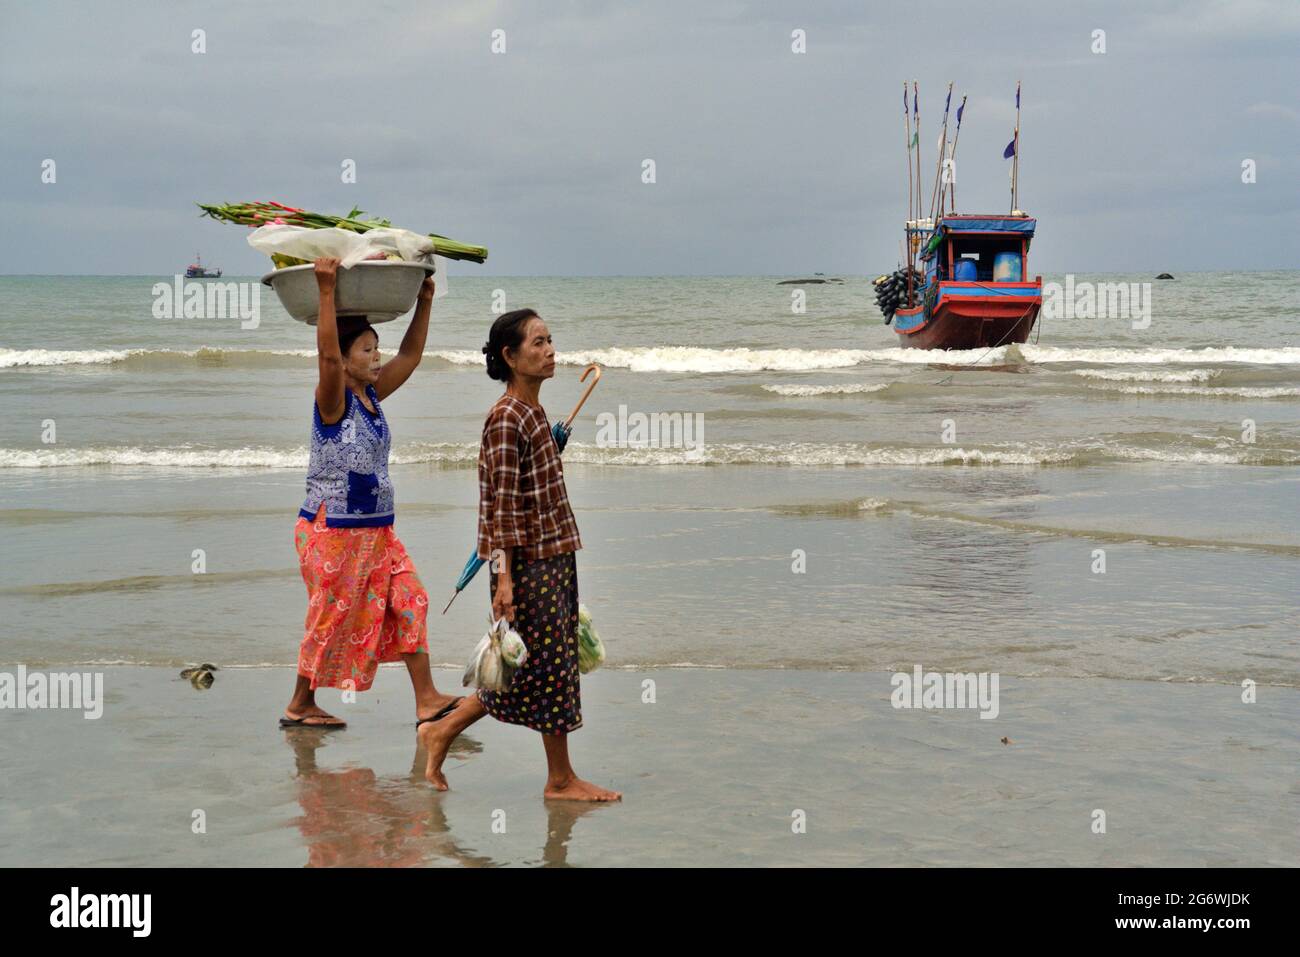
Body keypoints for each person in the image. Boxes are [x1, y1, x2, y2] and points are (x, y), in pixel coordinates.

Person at [417, 308, 621, 802]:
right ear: (510, 356)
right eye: (537, 343)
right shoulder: (507, 418)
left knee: (539, 668)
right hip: (527, 566)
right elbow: (499, 507)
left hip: (553, 556)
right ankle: (558, 780)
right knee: (537, 668)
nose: (550, 350)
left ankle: (444, 734)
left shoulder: (531, 415)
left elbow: (526, 490)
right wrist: (503, 580)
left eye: (551, 340)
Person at [282, 257, 459, 730]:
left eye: (375, 348)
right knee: (329, 617)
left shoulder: (372, 396)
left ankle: (425, 698)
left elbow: (412, 356)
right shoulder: (333, 401)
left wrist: (424, 302)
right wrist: (324, 291)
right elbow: (324, 358)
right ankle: (300, 703)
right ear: (343, 360)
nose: (376, 357)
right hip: (332, 532)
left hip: (377, 532)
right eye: (365, 349)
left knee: (411, 599)